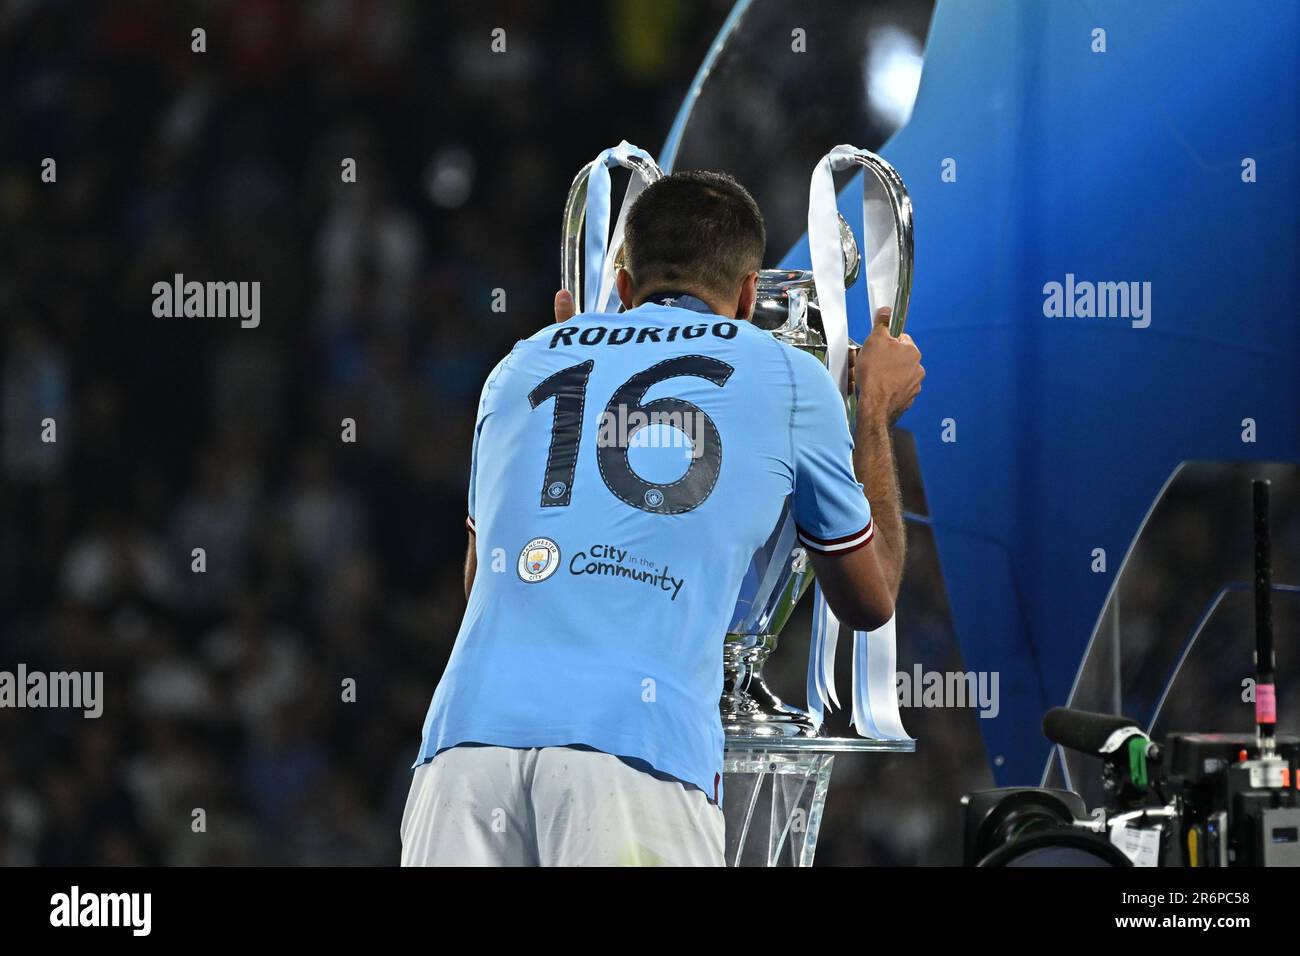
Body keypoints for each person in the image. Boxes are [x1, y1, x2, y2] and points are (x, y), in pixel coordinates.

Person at [401, 170, 924, 866]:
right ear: (746, 294)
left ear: (620, 285)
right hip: (632, 756)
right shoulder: (789, 374)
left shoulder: (518, 367)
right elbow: (870, 596)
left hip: (462, 754)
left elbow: (484, 587)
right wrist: (875, 414)